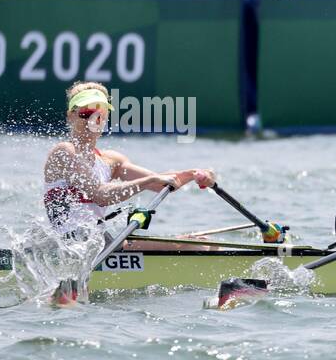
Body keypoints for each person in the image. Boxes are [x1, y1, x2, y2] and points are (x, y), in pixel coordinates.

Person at [43, 82, 215, 247]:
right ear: (71, 116)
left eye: (100, 115)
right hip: (69, 247)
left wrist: (194, 174)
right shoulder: (63, 152)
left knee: (203, 245)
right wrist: (148, 180)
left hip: (97, 243)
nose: (93, 121)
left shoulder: (111, 160)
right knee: (191, 247)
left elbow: (160, 183)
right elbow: (100, 195)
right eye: (86, 114)